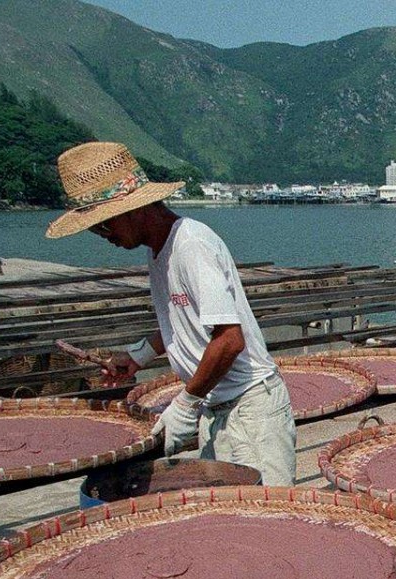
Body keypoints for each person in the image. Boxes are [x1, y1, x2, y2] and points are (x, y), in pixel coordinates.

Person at [46, 142, 296, 485]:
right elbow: (184, 325)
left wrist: (185, 402)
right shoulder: (157, 251)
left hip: (250, 411)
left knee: (267, 518)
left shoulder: (191, 245)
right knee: (226, 512)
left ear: (133, 210)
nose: (105, 237)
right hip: (216, 408)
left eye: (104, 226)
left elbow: (230, 340)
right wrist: (138, 355)